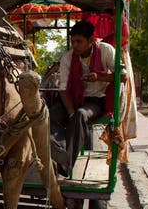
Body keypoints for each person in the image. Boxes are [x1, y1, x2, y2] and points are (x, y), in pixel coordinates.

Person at [49, 20, 119, 176]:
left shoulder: (106, 51)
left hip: (95, 100)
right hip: (72, 99)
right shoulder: (68, 57)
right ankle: (60, 152)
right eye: (73, 41)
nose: (75, 45)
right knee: (51, 116)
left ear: (91, 40)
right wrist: (70, 111)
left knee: (81, 115)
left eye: (79, 41)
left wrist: (100, 77)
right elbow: (63, 89)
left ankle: (65, 165)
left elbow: (123, 76)